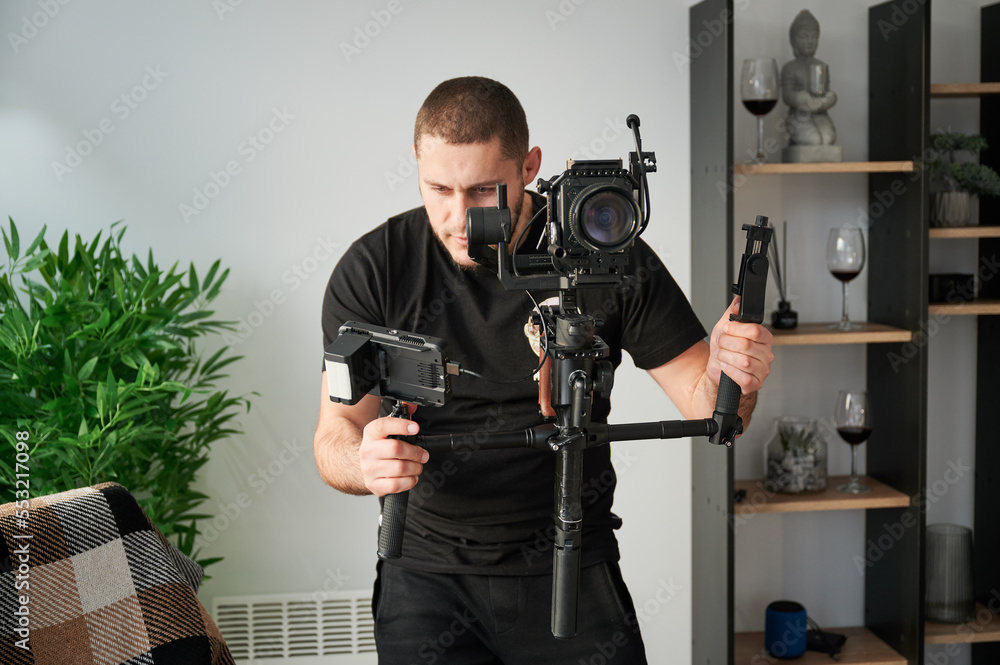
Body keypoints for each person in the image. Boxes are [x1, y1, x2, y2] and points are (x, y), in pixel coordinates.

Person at [314, 76, 773, 664]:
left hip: (571, 557)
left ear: (529, 166)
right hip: (426, 575)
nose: (459, 218)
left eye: (483, 190)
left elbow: (710, 407)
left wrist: (738, 373)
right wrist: (366, 462)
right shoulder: (375, 268)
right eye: (438, 188)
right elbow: (334, 436)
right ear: (417, 165)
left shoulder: (605, 248)